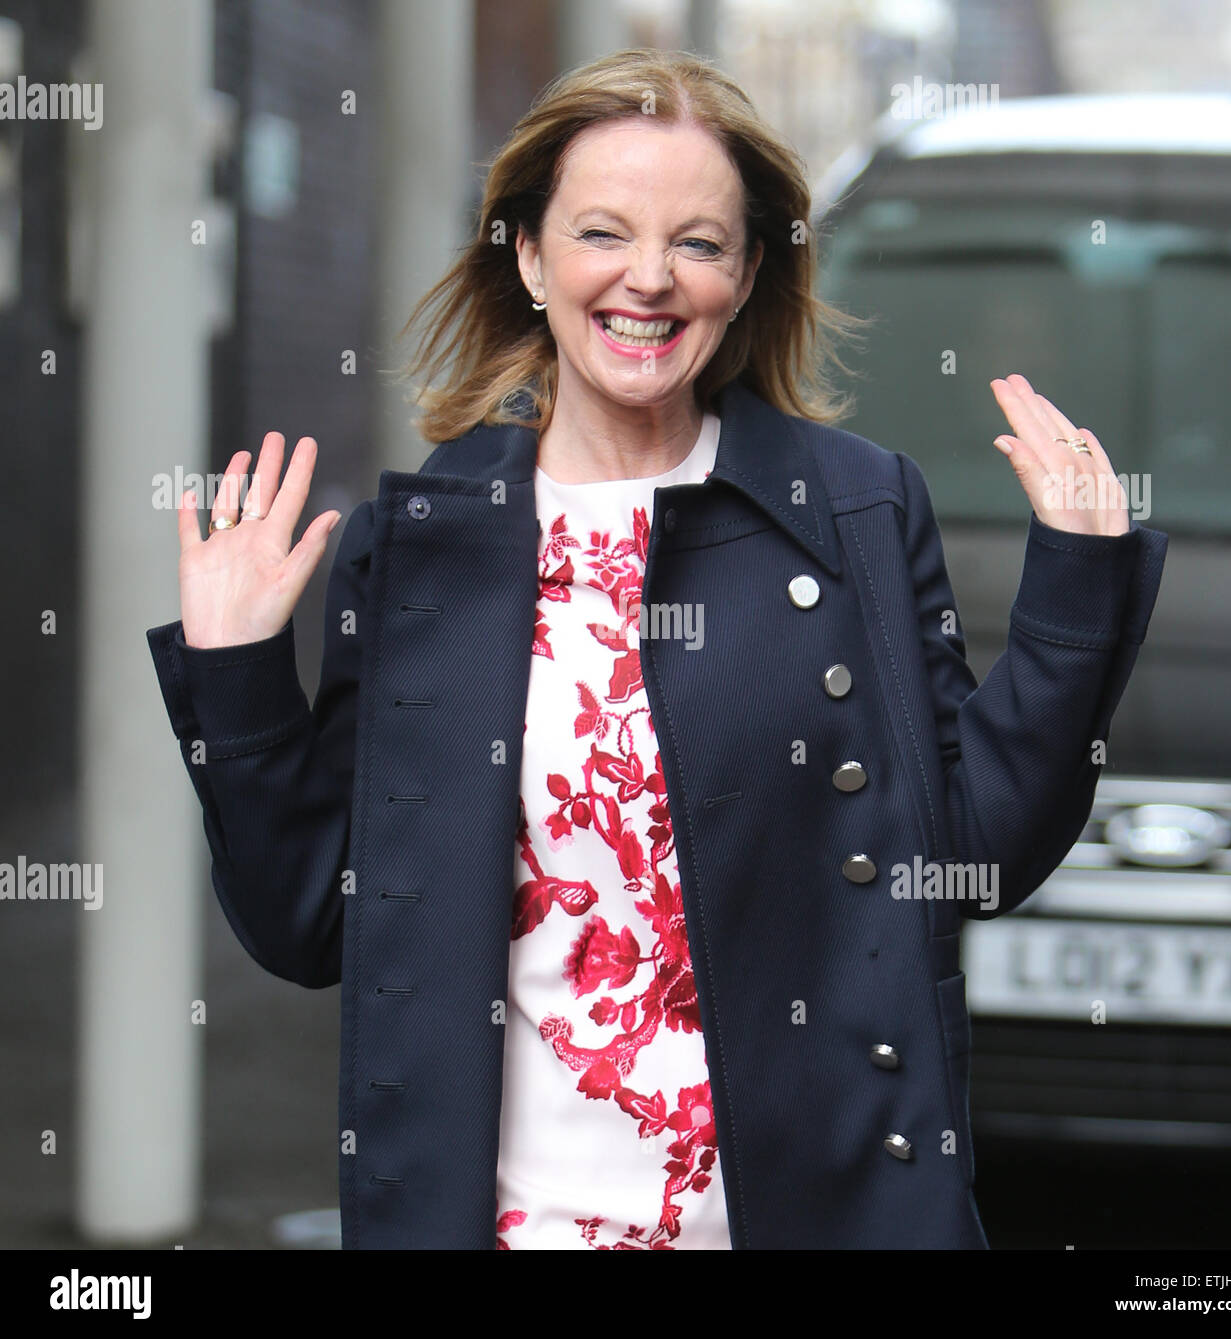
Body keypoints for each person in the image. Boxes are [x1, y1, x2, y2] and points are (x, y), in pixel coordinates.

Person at [146, 48, 1168, 1250]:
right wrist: (238, 670)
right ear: (528, 256)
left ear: (743, 277)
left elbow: (971, 854)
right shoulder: (424, 545)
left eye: (698, 242)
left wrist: (1076, 587)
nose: (648, 279)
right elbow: (313, 922)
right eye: (602, 233)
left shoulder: (852, 508)